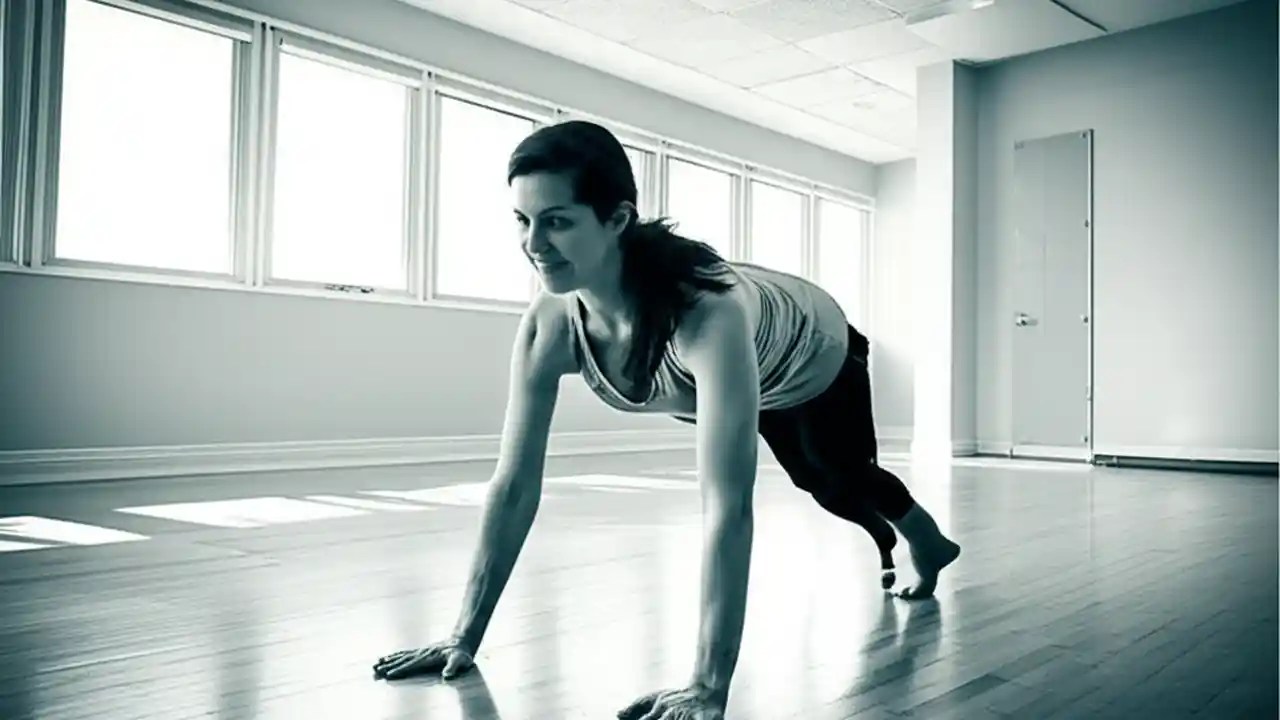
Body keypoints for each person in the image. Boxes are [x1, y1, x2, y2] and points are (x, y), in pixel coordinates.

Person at [372, 121, 961, 719]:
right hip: (739, 365)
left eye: (557, 221)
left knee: (835, 479)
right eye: (522, 221)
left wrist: (708, 687)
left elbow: (728, 507)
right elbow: (515, 484)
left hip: (815, 350)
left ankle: (927, 542)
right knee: (818, 477)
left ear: (617, 219)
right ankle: (920, 540)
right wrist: (462, 636)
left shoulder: (706, 315)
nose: (534, 244)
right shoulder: (549, 325)